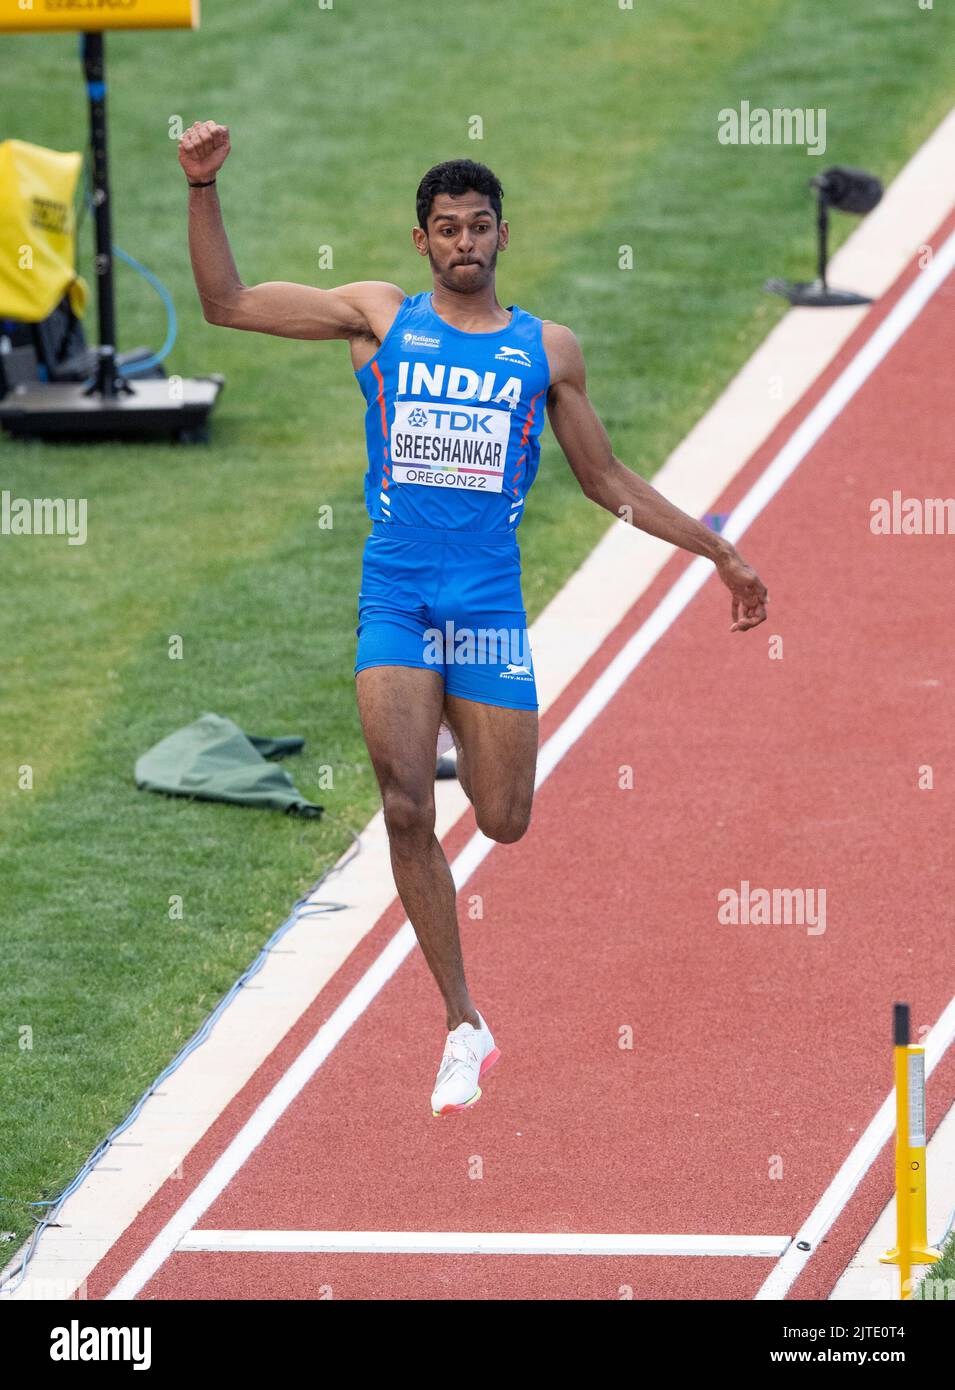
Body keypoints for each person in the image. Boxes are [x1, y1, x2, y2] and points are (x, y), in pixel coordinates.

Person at [178, 123, 769, 1117]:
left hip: (487, 608)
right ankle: (462, 1021)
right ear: (420, 242)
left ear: (503, 235)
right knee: (406, 804)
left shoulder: (547, 352)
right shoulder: (377, 318)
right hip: (397, 598)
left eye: (478, 226)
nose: (463, 241)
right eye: (445, 227)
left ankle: (460, 722)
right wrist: (203, 186)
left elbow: (604, 479)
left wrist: (716, 550)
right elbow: (227, 304)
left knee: (502, 818)